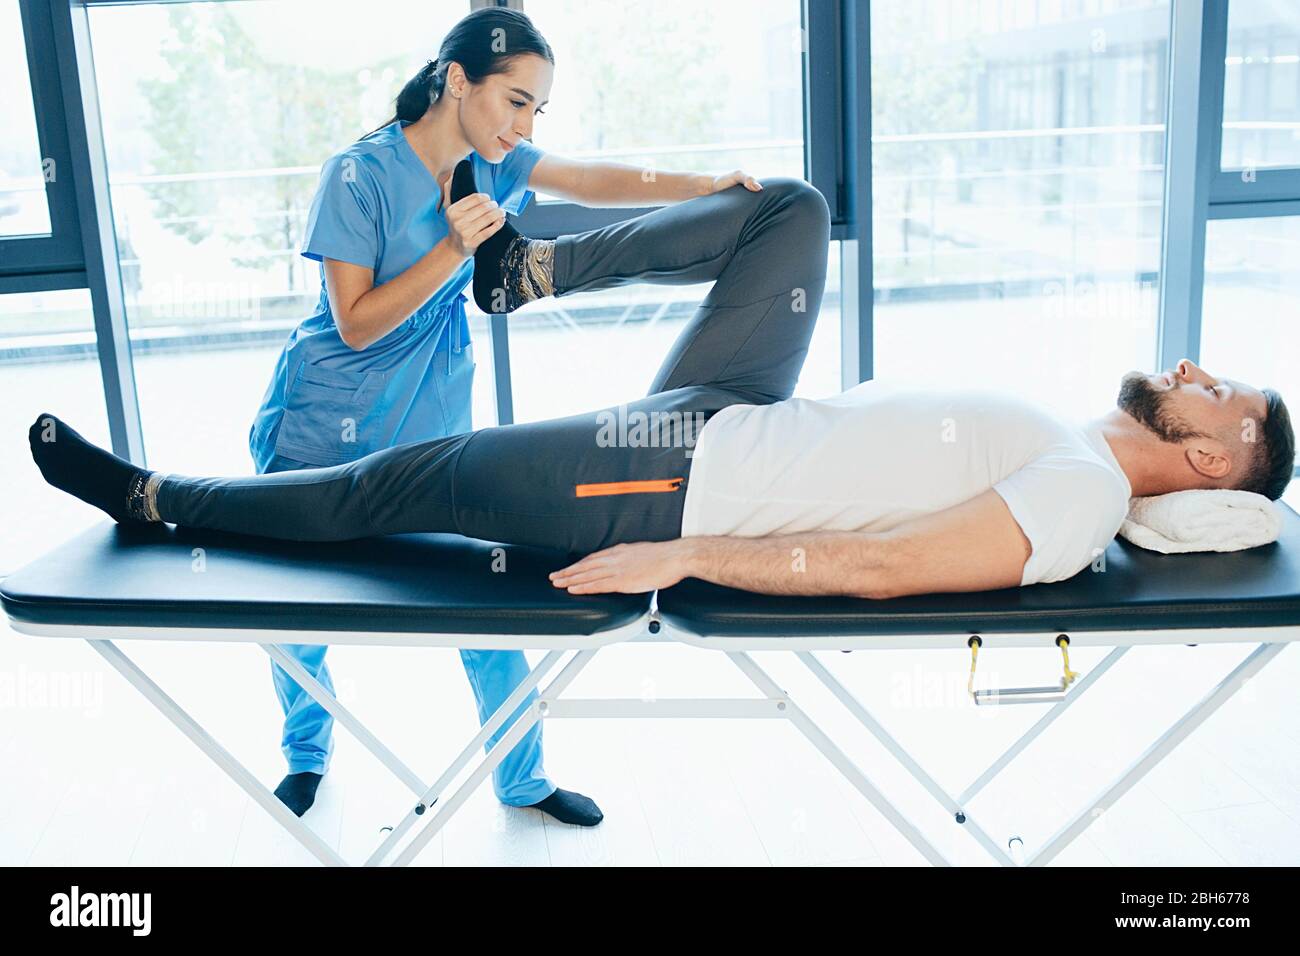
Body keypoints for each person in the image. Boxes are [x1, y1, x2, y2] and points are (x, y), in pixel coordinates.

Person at [28, 173, 1294, 619]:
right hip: (732, 412)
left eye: (1213, 391)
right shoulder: (1070, 446)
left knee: (406, 483)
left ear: (1210, 464)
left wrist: (677, 551)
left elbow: (887, 568)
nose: (1189, 370)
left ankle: (157, 496)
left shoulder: (1077, 496)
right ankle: (533, 268)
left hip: (675, 475)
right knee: (792, 214)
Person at [242, 5, 763, 823]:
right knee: (300, 613)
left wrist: (703, 184)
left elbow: (589, 182)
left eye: (536, 110)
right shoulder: (358, 175)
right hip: (324, 419)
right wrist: (454, 249)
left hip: (434, 417)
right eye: (515, 100)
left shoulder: (497, 165)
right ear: (458, 80)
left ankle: (522, 779)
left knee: (484, 603)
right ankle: (306, 752)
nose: (524, 123)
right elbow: (354, 320)